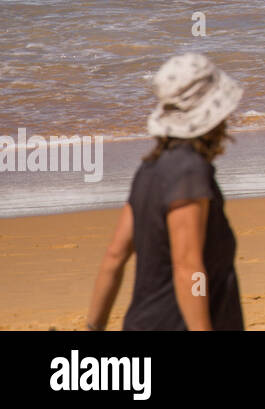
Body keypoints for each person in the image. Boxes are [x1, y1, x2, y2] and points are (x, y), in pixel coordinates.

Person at [87, 53, 245, 331]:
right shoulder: (189, 172)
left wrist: (92, 328)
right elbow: (189, 270)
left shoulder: (149, 171)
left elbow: (114, 257)